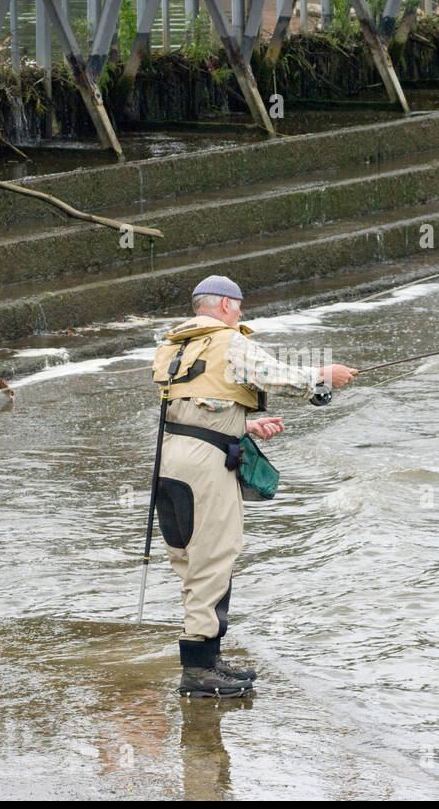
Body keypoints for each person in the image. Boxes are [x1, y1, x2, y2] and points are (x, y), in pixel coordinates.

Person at [151, 275, 357, 697]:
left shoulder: (175, 344)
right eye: (240, 305)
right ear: (226, 305)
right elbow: (275, 375)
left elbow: (194, 405)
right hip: (206, 466)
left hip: (170, 457)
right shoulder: (228, 340)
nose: (241, 313)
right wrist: (323, 376)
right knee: (213, 555)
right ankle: (198, 672)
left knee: (190, 556)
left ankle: (207, 659)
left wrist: (243, 426)